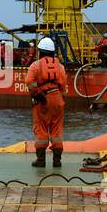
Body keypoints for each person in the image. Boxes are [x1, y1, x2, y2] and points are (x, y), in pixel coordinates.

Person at [26, 36, 67, 167]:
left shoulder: (35, 66)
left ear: (40, 51)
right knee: (57, 131)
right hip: (57, 99)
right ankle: (57, 161)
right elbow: (63, 86)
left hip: (43, 100)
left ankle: (41, 160)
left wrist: (39, 95)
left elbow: (29, 82)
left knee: (41, 129)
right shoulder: (60, 67)